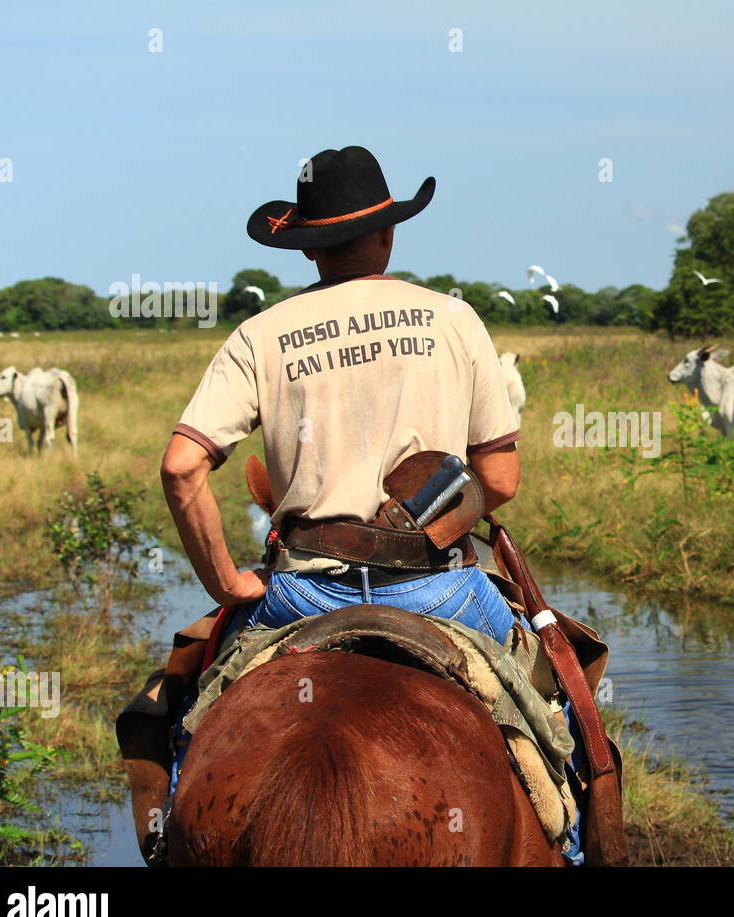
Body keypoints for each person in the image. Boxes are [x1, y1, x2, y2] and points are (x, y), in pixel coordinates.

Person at [161, 145, 521, 640]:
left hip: (306, 592)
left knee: (190, 693)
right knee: (552, 689)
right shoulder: (456, 319)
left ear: (308, 246)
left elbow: (181, 466)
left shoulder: (259, 334)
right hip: (436, 586)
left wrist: (226, 586)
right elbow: (499, 481)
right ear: (389, 233)